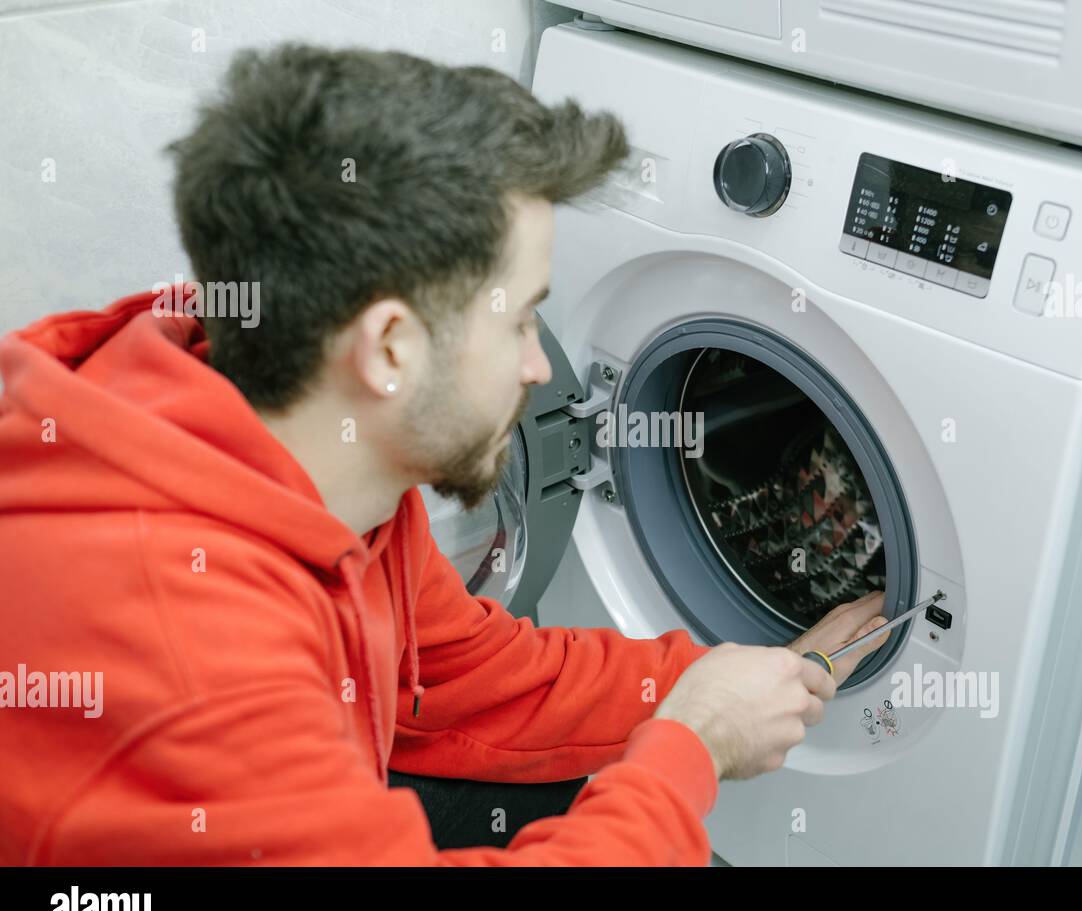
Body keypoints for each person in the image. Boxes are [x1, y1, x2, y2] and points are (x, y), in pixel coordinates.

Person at [0, 43, 891, 866]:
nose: (542, 367)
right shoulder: (188, 663)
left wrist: (715, 680)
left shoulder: (321, 463)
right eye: (515, 322)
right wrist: (689, 749)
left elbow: (467, 675)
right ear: (389, 349)